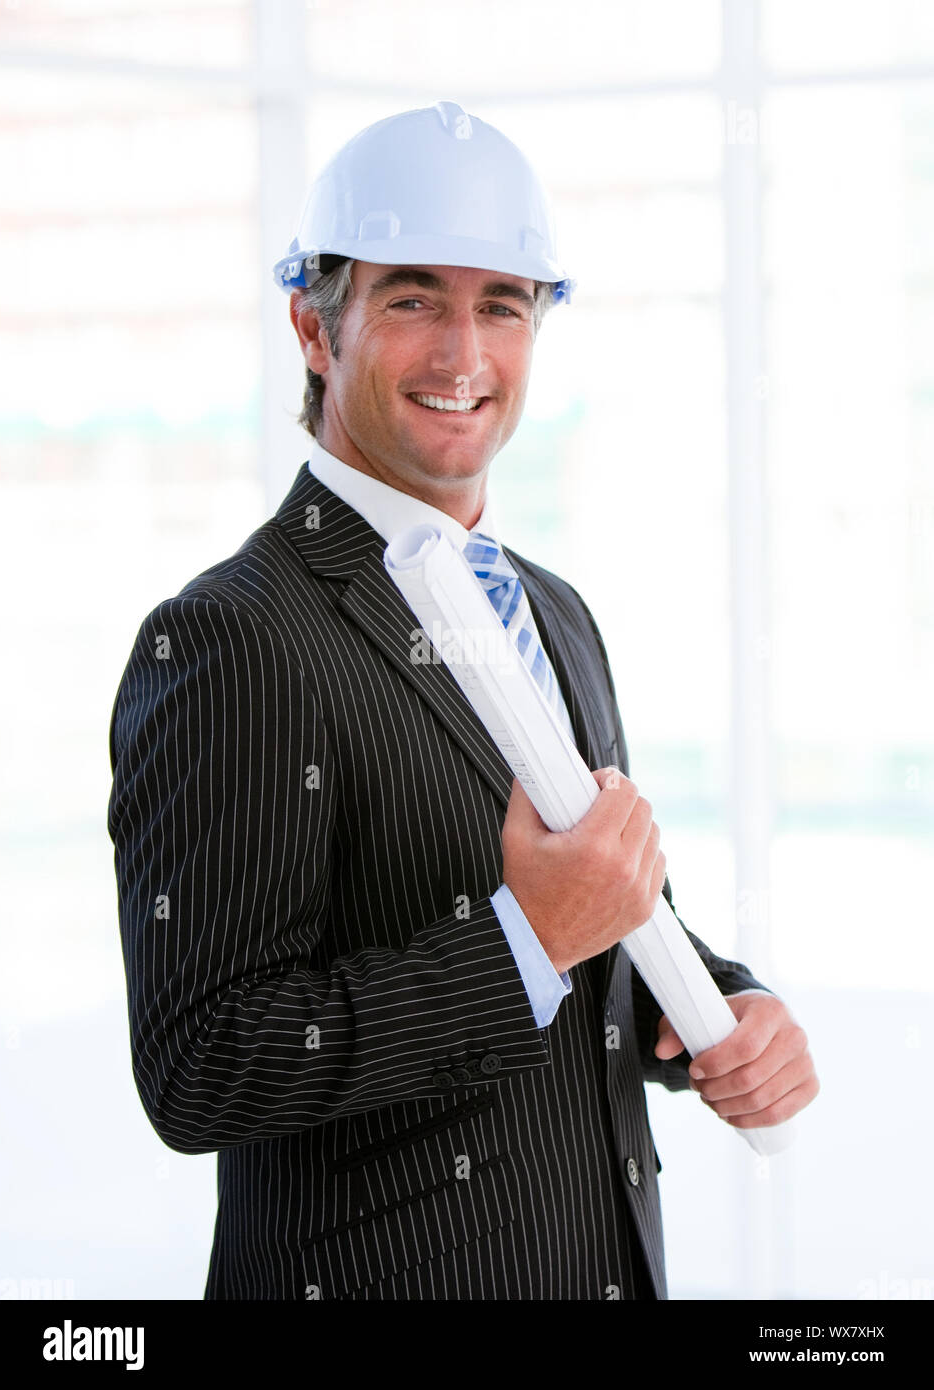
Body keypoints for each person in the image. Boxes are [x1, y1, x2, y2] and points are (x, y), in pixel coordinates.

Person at [107, 100, 818, 1301]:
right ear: (313, 327)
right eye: (411, 298)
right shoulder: (231, 635)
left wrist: (724, 1012)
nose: (462, 355)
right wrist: (519, 941)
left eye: (502, 305)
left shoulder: (554, 613)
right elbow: (202, 1068)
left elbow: (604, 919)